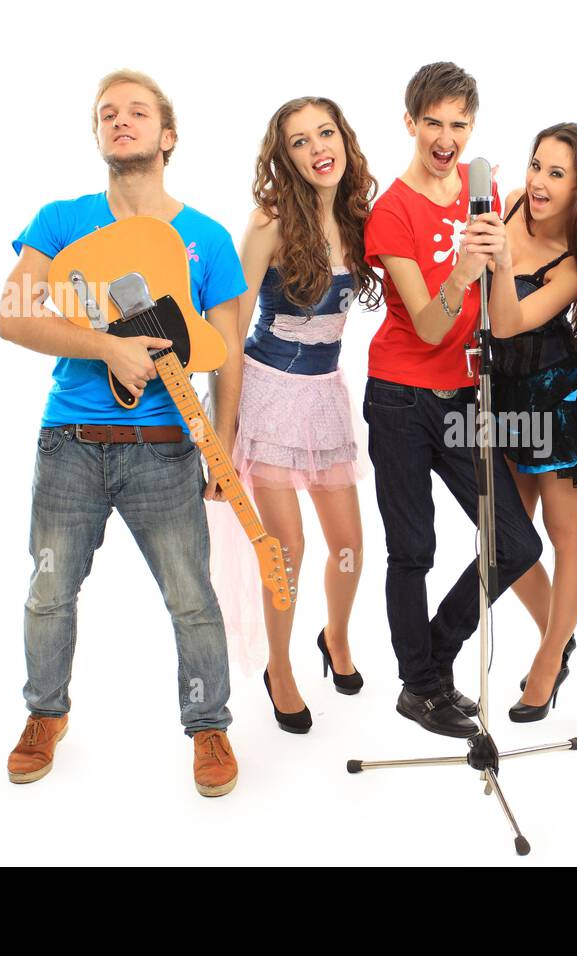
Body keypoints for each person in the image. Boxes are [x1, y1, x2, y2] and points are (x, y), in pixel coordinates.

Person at [0, 70, 247, 796]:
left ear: (168, 137)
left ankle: (209, 727)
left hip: (166, 452)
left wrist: (221, 451)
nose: (121, 121)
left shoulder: (206, 238)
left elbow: (226, 358)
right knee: (49, 591)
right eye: (107, 114)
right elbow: (12, 315)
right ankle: (44, 715)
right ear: (100, 136)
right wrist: (107, 347)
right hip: (68, 442)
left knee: (192, 597)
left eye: (138, 112)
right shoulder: (59, 220)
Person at [362, 62, 542, 738]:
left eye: (458, 124)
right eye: (432, 123)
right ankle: (420, 688)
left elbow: (498, 309)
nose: (446, 137)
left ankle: (435, 660)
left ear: (472, 127)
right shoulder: (393, 212)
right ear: (410, 123)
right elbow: (431, 323)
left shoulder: (483, 188)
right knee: (413, 550)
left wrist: (497, 265)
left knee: (516, 543)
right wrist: (464, 268)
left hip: (467, 396)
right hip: (401, 399)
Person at [212, 96, 379, 734]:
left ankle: (334, 637)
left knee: (349, 546)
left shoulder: (362, 217)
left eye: (325, 132)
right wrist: (221, 435)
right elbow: (227, 323)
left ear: (344, 138)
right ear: (286, 156)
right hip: (268, 393)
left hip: (325, 394)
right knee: (287, 550)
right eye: (301, 141)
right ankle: (278, 668)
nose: (318, 148)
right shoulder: (272, 221)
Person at [470, 123, 577, 722]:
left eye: (557, 174)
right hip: (498, 399)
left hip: (554, 400)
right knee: (504, 540)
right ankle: (562, 630)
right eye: (536, 166)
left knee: (563, 534)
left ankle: (550, 656)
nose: (539, 182)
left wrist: (501, 262)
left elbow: (505, 321)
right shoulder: (505, 212)